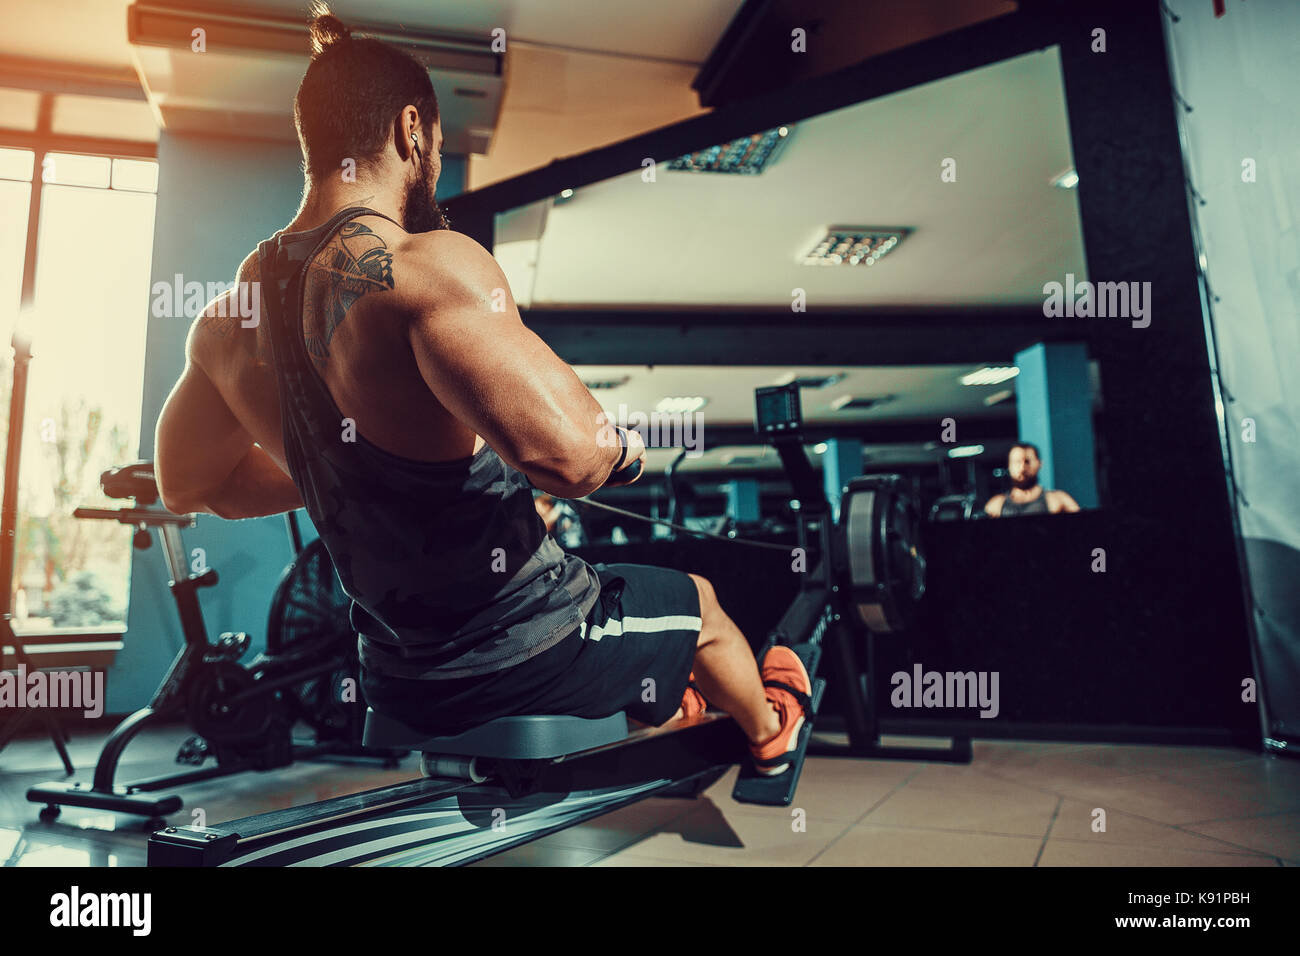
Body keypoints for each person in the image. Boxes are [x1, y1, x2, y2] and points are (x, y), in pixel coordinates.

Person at [152, 5, 810, 776]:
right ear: (410, 130)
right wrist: (625, 451)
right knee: (698, 603)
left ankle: (663, 698)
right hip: (526, 655)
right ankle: (771, 731)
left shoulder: (227, 319)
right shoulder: (425, 266)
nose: (430, 161)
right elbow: (570, 458)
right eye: (431, 142)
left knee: (639, 609)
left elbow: (192, 483)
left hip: (392, 677)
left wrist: (343, 466)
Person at [984, 442, 1082, 517]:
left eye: (1028, 461)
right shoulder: (995, 505)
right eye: (1017, 461)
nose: (1022, 467)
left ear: (1039, 464)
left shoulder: (1058, 500)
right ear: (1009, 466)